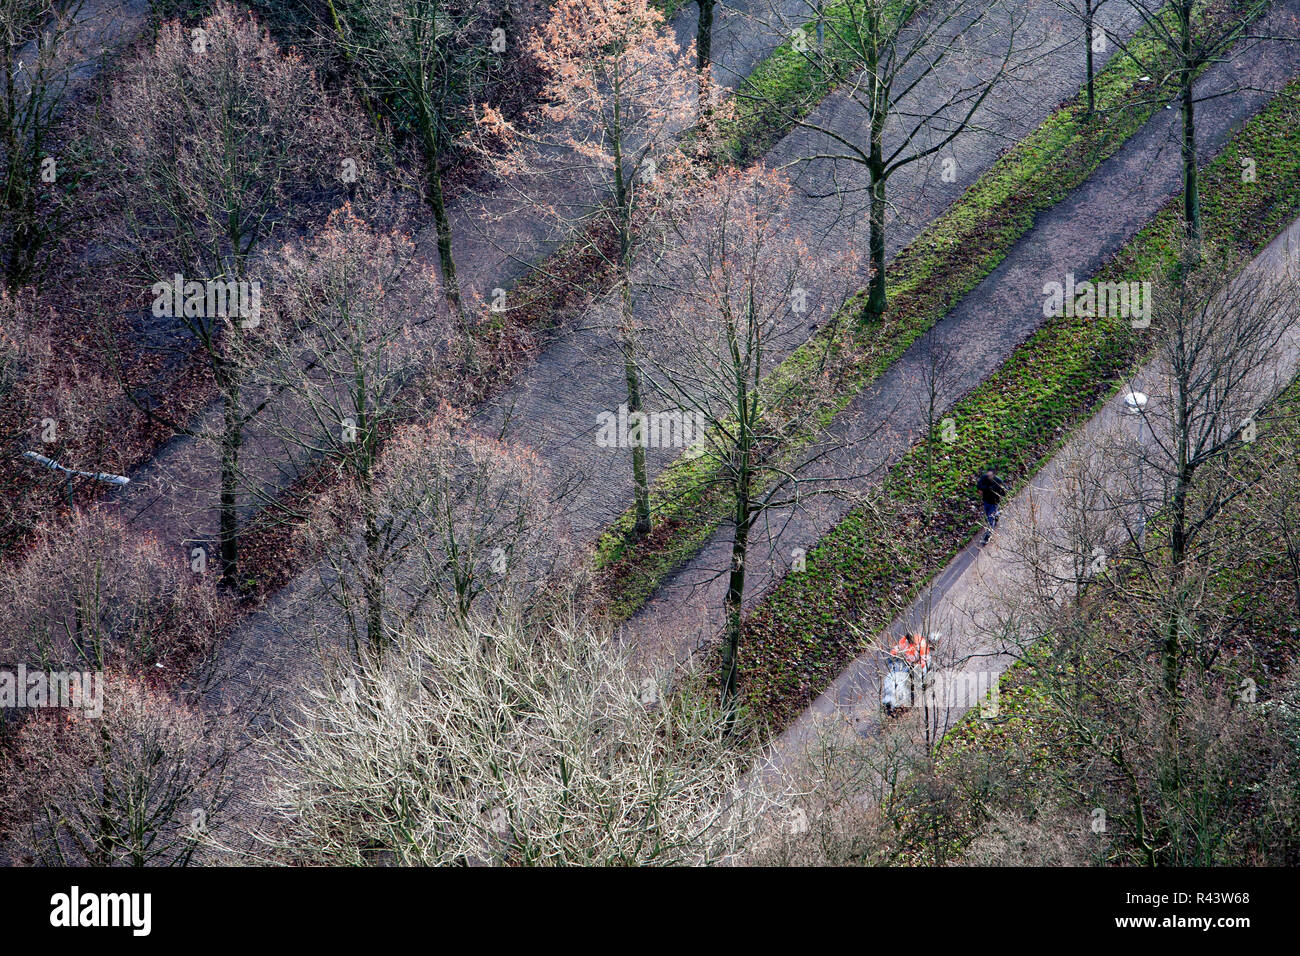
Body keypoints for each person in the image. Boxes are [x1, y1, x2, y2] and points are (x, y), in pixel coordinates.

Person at [976, 469, 1006, 545]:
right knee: (988, 515)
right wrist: (984, 489)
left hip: (994, 503)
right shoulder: (984, 478)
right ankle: (998, 514)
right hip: (986, 501)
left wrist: (998, 496)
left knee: (990, 519)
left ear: (994, 475)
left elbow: (1003, 492)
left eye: (990, 475)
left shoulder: (998, 481)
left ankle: (987, 536)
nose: (988, 477)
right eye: (988, 475)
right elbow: (979, 485)